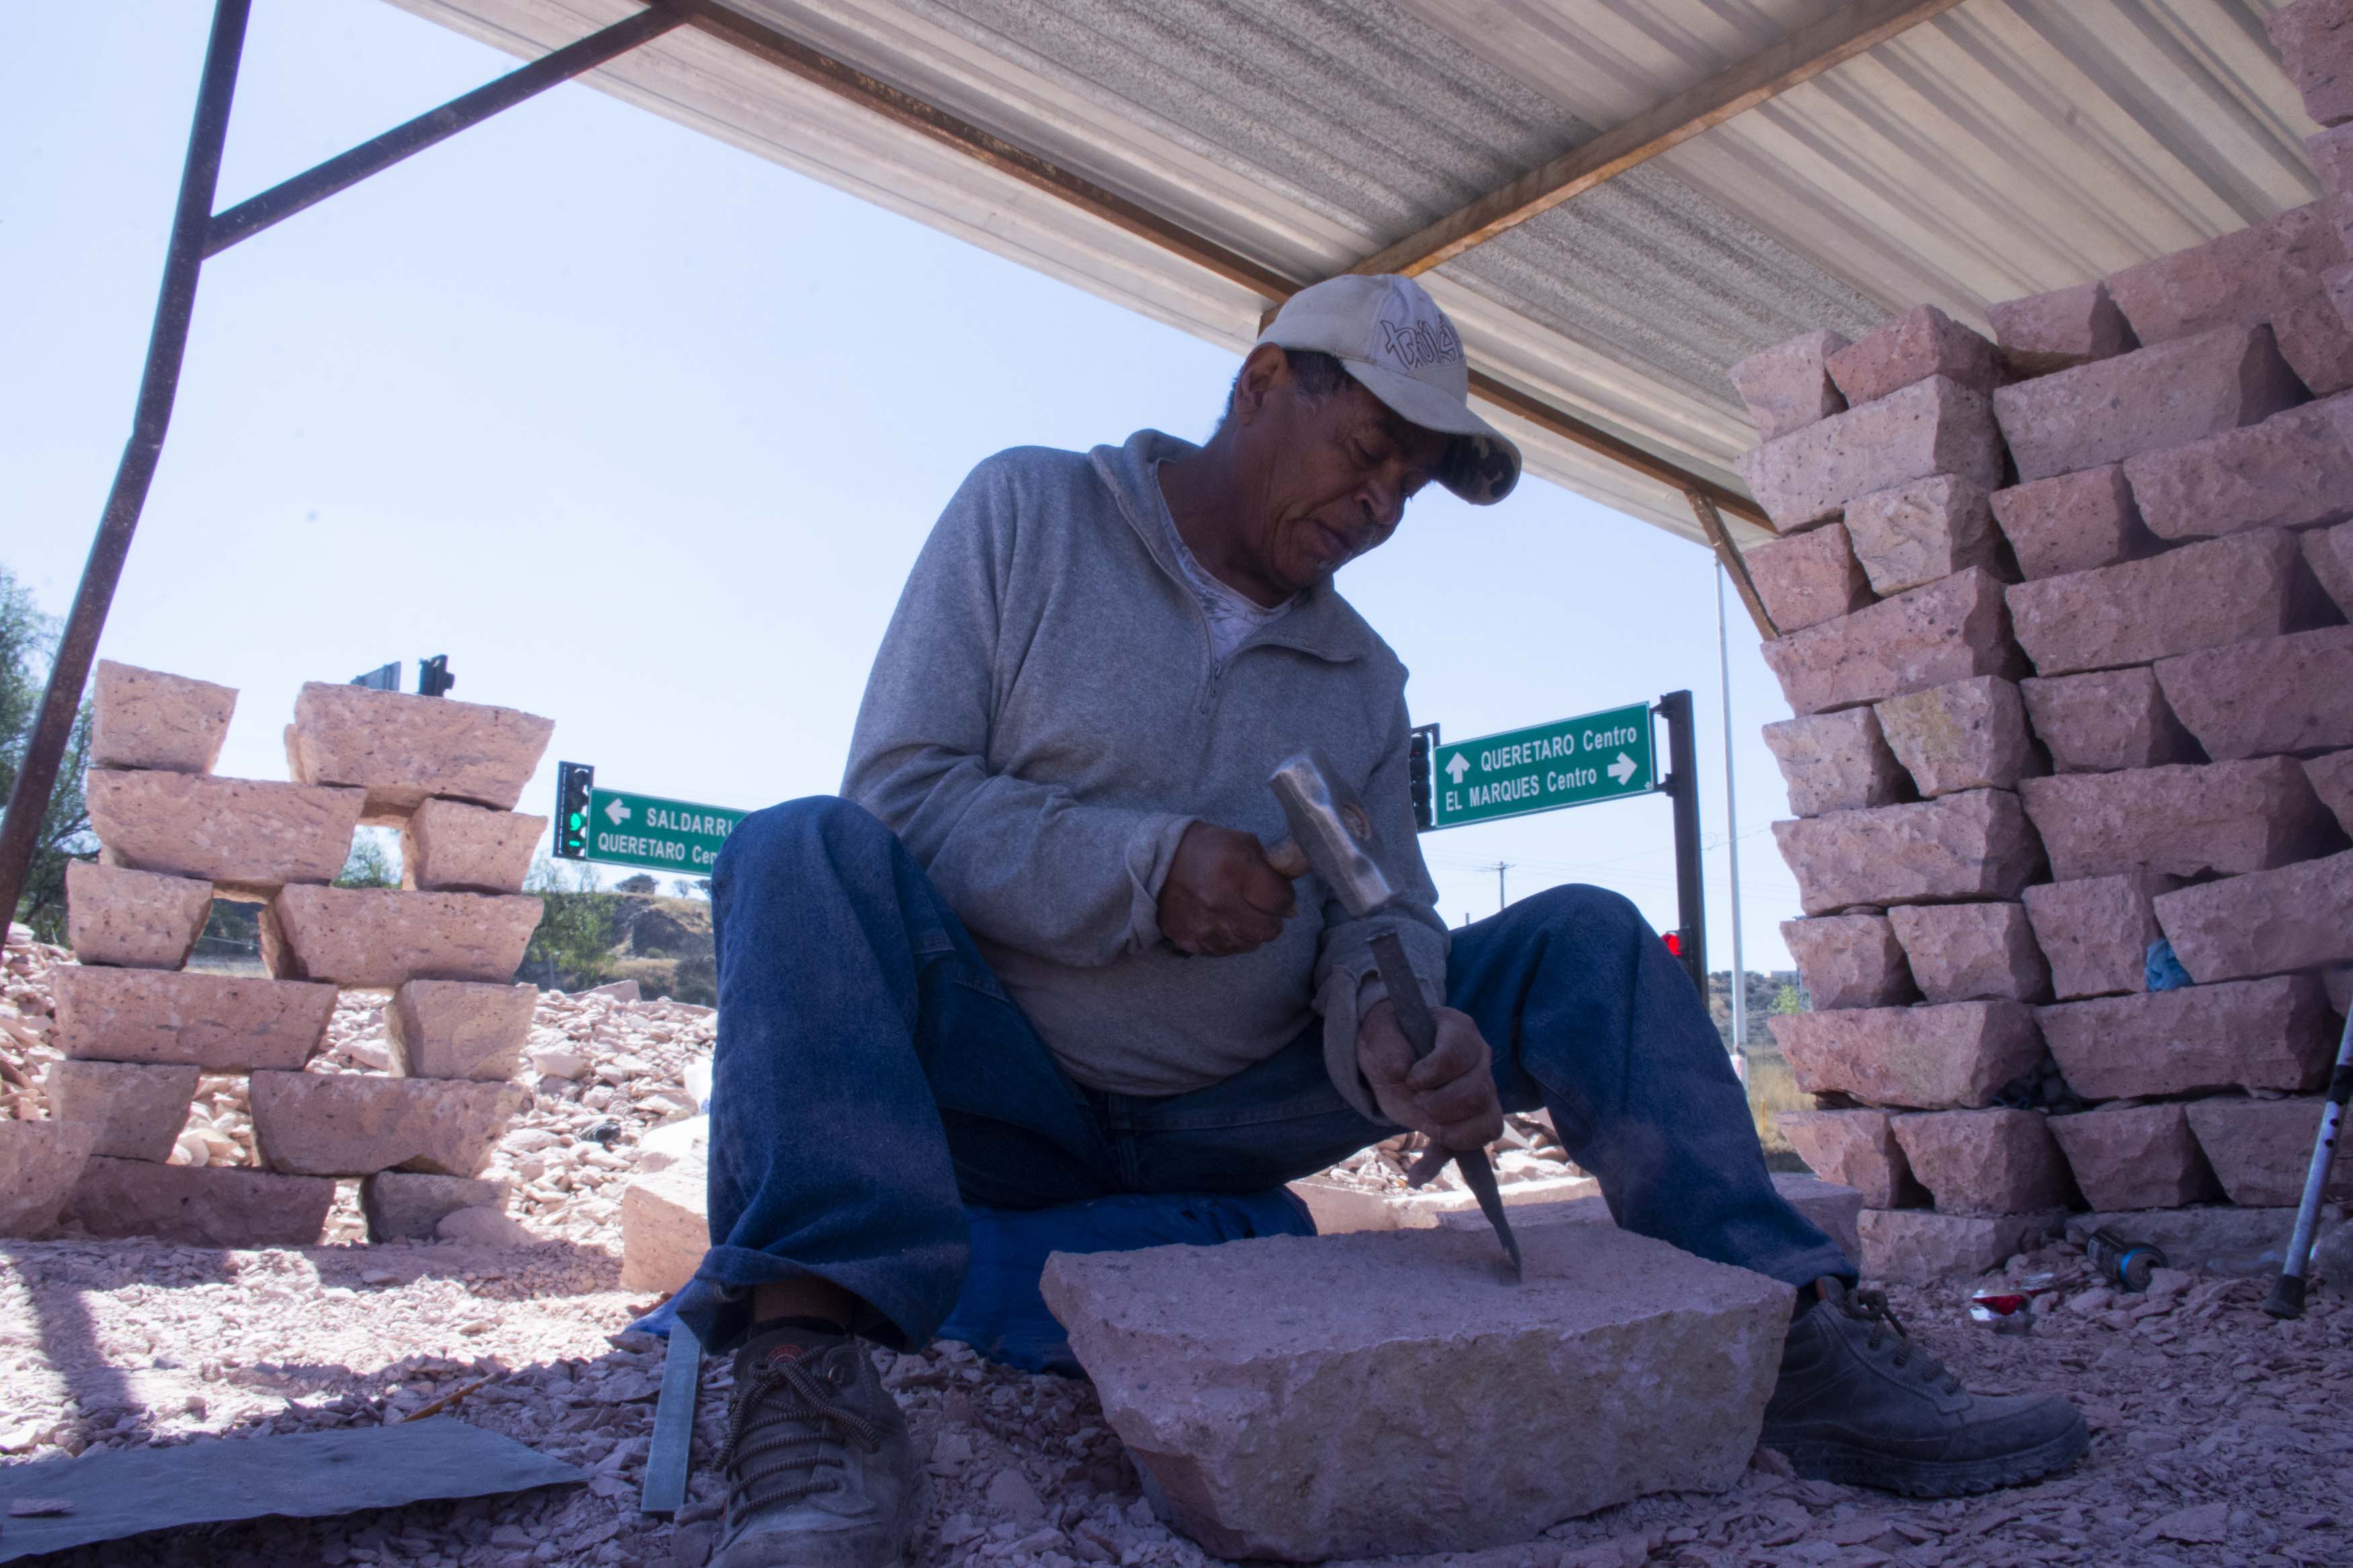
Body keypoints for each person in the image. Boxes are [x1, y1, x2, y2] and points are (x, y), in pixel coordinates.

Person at [677, 274, 2088, 1568]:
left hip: (1240, 1102)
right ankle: (808, 1388)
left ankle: (1789, 1331)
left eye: (1407, 488)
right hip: (999, 1089)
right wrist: (1143, 864)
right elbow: (906, 794)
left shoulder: (1360, 680)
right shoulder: (1030, 516)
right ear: (1259, 385)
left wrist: (1394, 1026)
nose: (1378, 509)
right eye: (1364, 453)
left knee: (1586, 937)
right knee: (800, 845)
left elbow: (1381, 912)